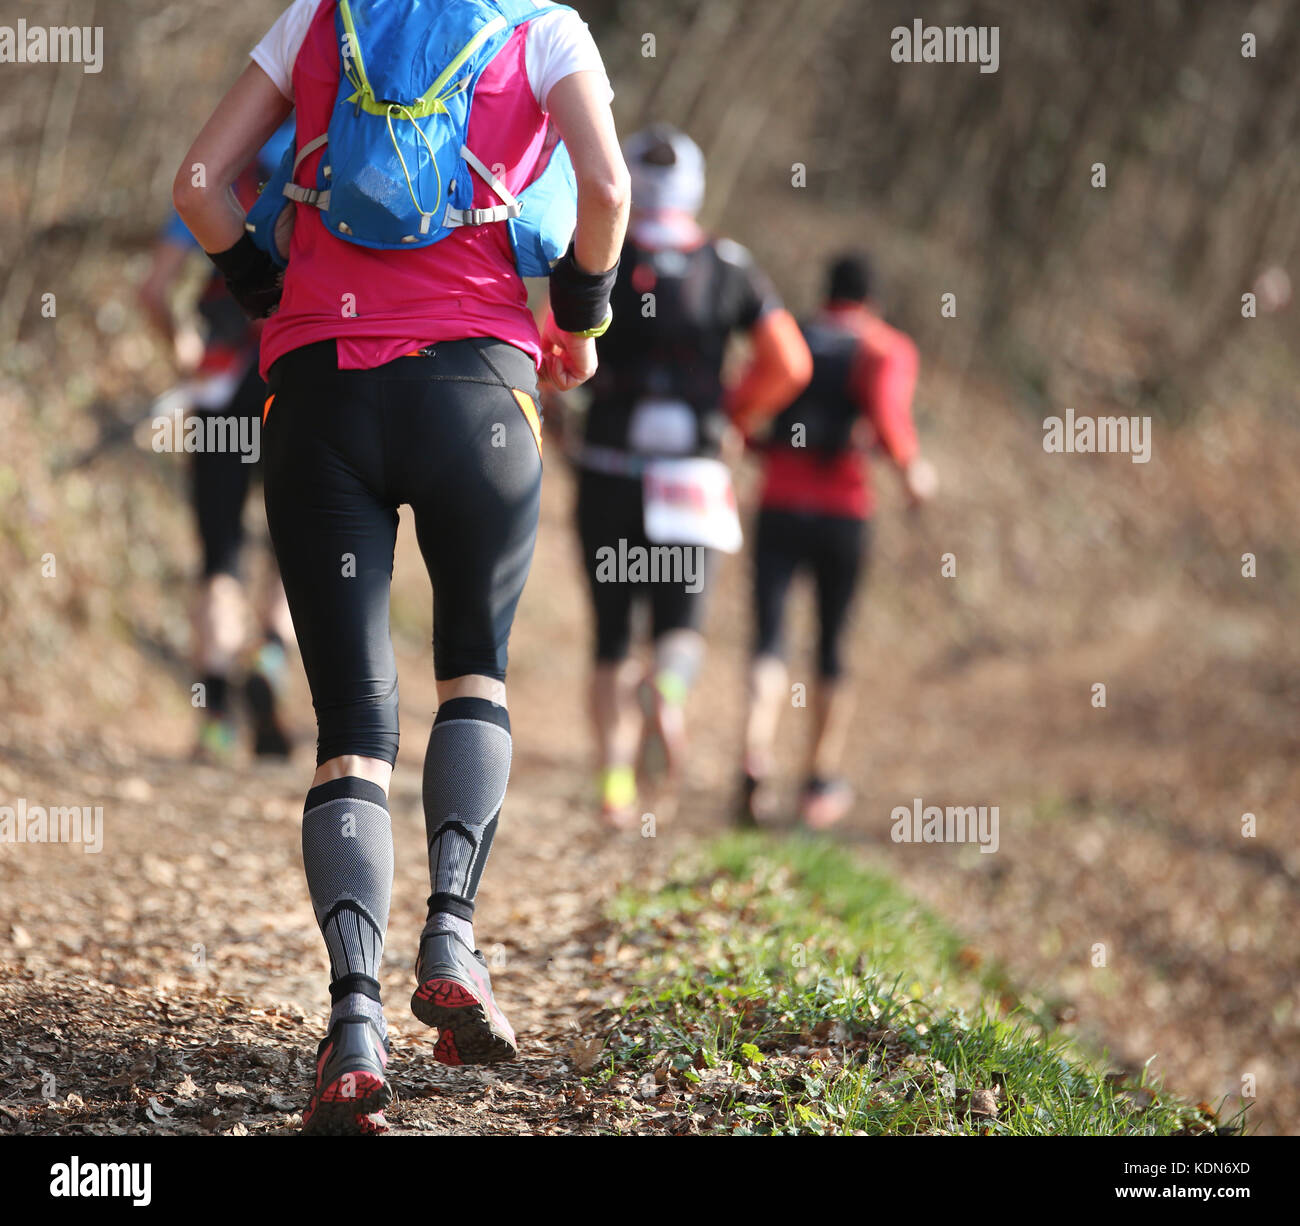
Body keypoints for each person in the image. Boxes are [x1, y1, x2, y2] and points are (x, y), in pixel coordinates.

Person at [174, 0, 627, 1135]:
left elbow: (196, 183)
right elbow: (607, 194)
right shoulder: (544, 26)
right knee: (471, 671)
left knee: (351, 731)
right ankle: (454, 936)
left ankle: (355, 1030)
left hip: (319, 396)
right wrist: (576, 315)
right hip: (477, 393)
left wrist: (266, 290)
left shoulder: (320, 18)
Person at [568, 123, 811, 829]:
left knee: (611, 633)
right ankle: (667, 690)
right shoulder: (728, 265)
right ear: (695, 187)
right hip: (693, 476)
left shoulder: (600, 251)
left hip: (610, 463)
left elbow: (553, 341)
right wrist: (736, 412)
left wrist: (563, 415)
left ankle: (614, 786)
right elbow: (792, 363)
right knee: (682, 622)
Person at [739, 253, 937, 829]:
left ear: (826, 293)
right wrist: (912, 470)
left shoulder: (791, 335)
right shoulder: (883, 347)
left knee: (769, 639)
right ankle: (818, 782)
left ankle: (755, 756)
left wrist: (748, 441)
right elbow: (888, 414)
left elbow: (749, 400)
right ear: (871, 300)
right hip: (843, 509)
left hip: (779, 501)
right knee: (831, 643)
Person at [138, 123, 297, 763]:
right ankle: (270, 655)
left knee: (219, 554)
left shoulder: (216, 180)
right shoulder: (328, 174)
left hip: (218, 389)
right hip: (293, 385)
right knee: (294, 544)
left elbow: (152, 290)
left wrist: (181, 344)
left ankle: (215, 721)